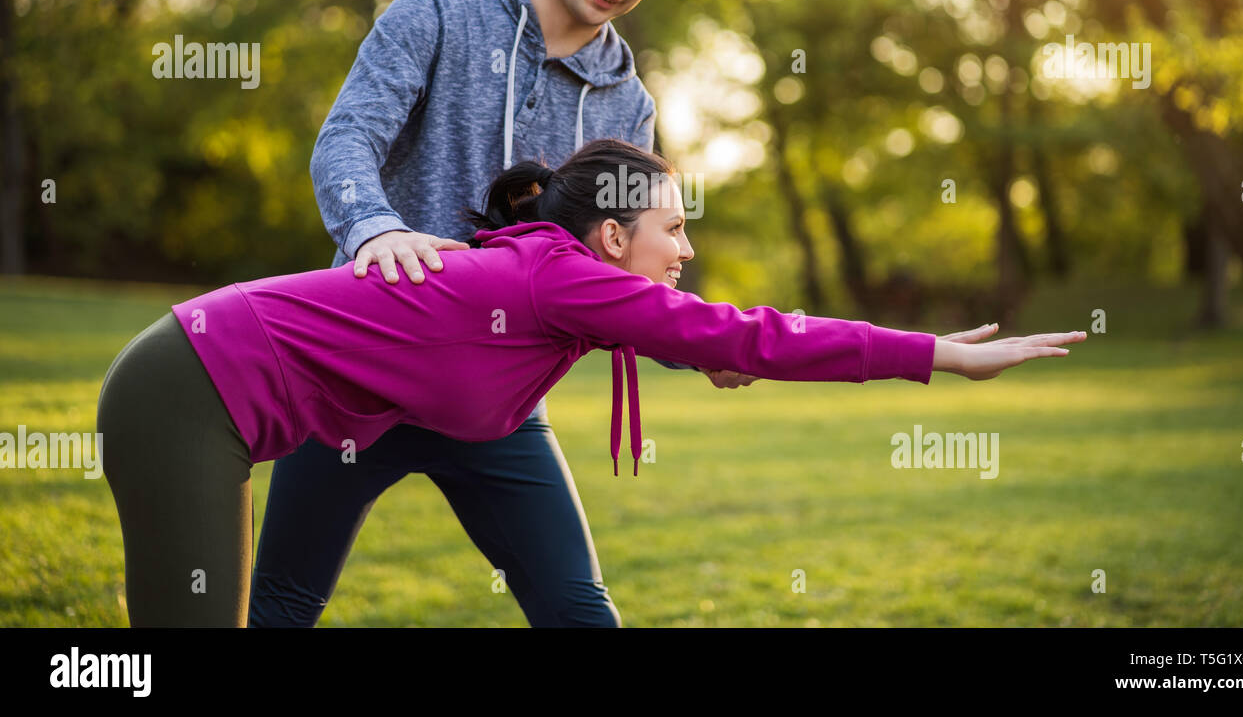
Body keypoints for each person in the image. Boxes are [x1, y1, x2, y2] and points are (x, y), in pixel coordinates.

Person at [97, 139, 1086, 627]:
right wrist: (944, 353)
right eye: (674, 229)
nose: (687, 249)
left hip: (204, 384)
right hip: (185, 390)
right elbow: (754, 331)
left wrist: (712, 351)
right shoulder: (560, 275)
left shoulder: (552, 283)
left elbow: (714, 337)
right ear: (612, 236)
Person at [250, 0, 745, 629]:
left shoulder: (628, 107)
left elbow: (626, 275)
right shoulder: (438, 14)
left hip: (498, 403)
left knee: (580, 615)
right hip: (359, 373)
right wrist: (376, 229)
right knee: (280, 607)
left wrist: (702, 345)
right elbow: (346, 142)